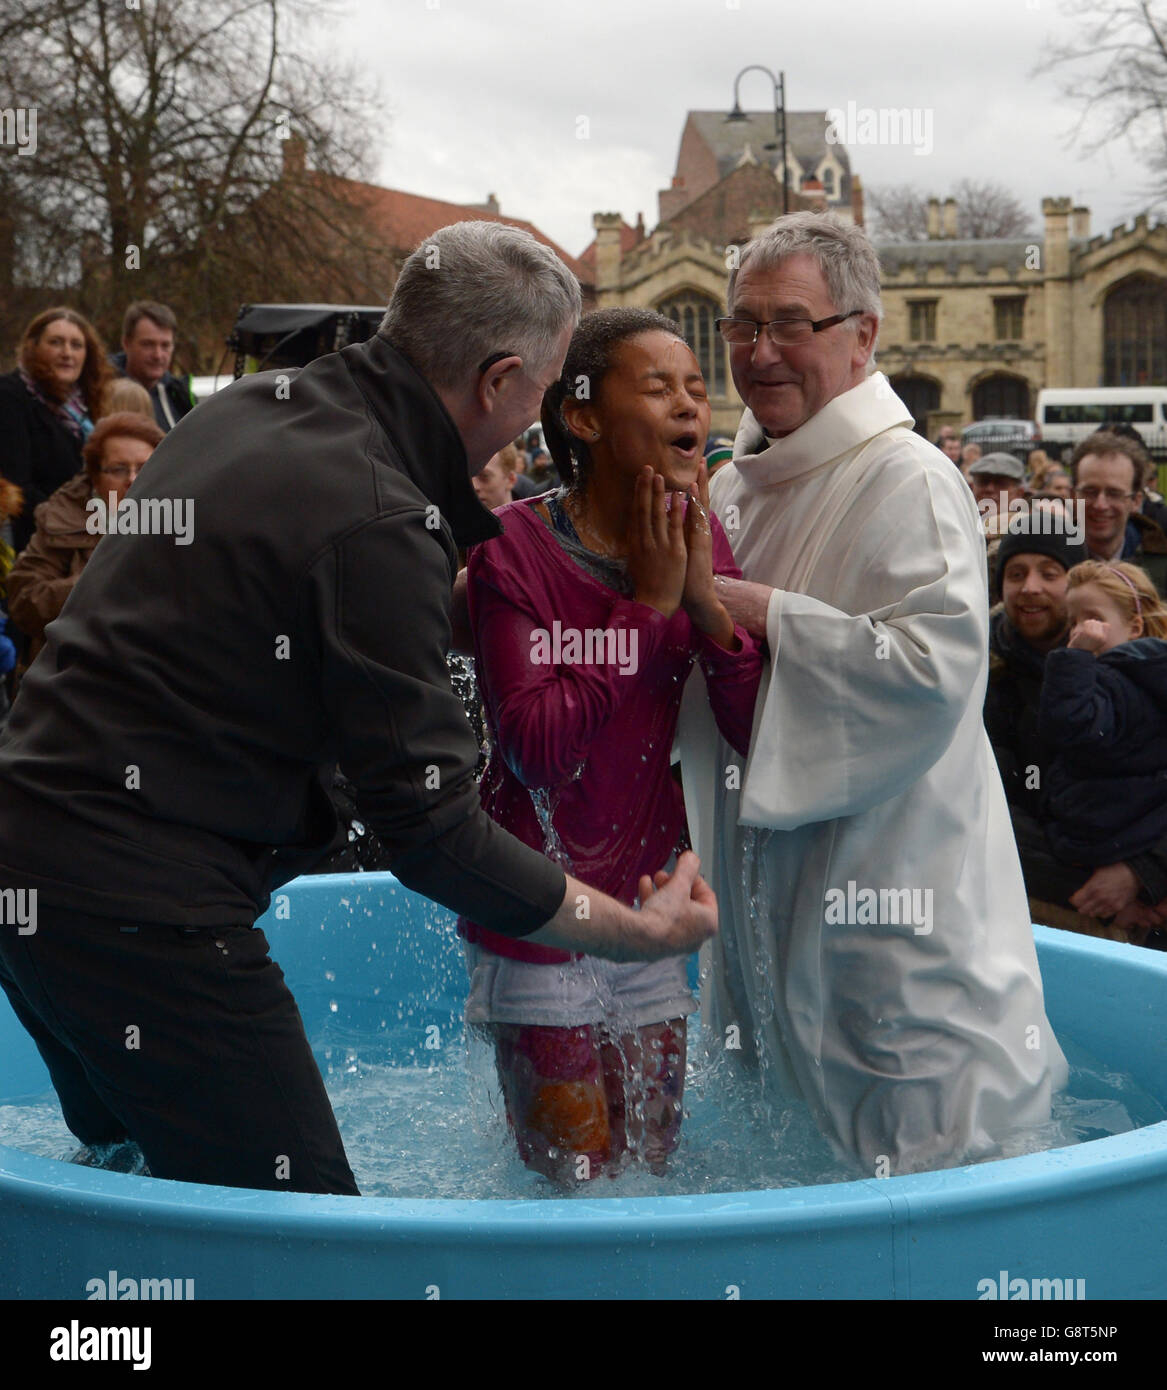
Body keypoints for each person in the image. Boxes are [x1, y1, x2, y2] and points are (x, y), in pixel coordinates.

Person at [0, 221, 717, 1196]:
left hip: (27, 854)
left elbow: (243, 615)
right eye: (549, 388)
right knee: (302, 1233)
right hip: (142, 905)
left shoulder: (252, 408)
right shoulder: (381, 513)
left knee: (133, 1181)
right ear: (501, 380)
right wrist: (630, 932)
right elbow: (429, 833)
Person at [677, 210, 1067, 1175]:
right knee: (778, 1160)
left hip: (889, 891)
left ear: (863, 336)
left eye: (790, 324)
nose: (760, 352)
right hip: (762, 881)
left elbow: (934, 673)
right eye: (741, 325)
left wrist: (771, 613)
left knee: (927, 1156)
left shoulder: (910, 478)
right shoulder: (731, 488)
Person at [460, 309, 761, 1182]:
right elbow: (534, 752)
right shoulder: (513, 549)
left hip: (651, 892)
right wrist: (647, 608)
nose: (689, 406)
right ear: (584, 416)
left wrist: (706, 606)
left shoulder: (697, 536)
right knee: (577, 1181)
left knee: (652, 1168)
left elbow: (746, 732)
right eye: (659, 386)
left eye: (696, 389)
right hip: (537, 910)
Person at [1037, 562, 1167, 930]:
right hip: (1125, 845)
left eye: (1093, 618)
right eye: (1073, 621)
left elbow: (1070, 726)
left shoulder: (1111, 680)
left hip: (1103, 842)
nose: (1080, 631)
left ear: (1134, 627)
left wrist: (1074, 659)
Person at [7, 413, 163, 664]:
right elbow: (25, 601)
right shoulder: (61, 520)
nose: (133, 479)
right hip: (79, 673)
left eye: (144, 468)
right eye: (118, 469)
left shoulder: (179, 519)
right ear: (95, 475)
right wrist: (101, 580)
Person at [0, 308, 111, 552]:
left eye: (76, 345)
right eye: (55, 342)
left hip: (87, 538)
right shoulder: (10, 396)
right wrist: (79, 519)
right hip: (38, 545)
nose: (67, 353)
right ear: (33, 347)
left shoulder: (85, 404)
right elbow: (17, 486)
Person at [1070, 430, 1167, 595]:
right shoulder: (1049, 563)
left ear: (1136, 501)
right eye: (1090, 491)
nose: (1101, 505)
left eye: (1114, 493)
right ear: (1073, 496)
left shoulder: (1161, 567)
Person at [110, 301, 195, 434]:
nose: (158, 355)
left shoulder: (180, 397)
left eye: (165, 345)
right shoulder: (100, 394)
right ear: (126, 343)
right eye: (148, 344)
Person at [471, 443, 518, 511]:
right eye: (466, 478)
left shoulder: (530, 520)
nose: (474, 486)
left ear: (511, 479)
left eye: (484, 476)